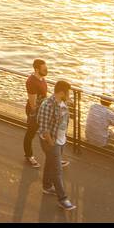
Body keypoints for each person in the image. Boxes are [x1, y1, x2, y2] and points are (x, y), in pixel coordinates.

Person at [37, 80, 76, 210]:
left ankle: (47, 186)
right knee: (57, 171)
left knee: (50, 163)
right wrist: (51, 143)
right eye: (68, 93)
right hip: (51, 142)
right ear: (61, 93)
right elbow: (43, 128)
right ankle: (63, 199)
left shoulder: (63, 103)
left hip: (60, 140)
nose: (69, 95)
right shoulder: (47, 105)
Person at [23, 59, 48, 167]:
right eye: (44, 69)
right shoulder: (32, 82)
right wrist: (40, 115)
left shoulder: (42, 78)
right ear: (37, 69)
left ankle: (54, 157)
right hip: (35, 112)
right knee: (30, 134)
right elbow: (33, 104)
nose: (47, 70)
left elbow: (43, 96)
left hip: (42, 111)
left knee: (47, 134)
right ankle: (29, 156)